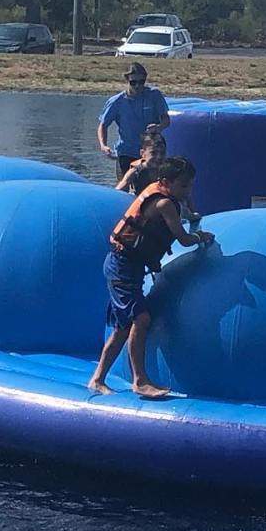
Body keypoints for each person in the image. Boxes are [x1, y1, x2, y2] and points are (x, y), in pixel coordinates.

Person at [88, 156, 215, 399]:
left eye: (191, 185)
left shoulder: (163, 195)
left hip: (128, 267)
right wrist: (202, 237)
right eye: (184, 186)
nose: (188, 191)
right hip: (122, 267)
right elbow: (184, 239)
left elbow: (183, 214)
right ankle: (140, 380)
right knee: (141, 319)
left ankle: (97, 379)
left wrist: (190, 214)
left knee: (122, 328)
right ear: (166, 182)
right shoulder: (163, 204)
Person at [97, 63, 171, 180]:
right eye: (133, 82)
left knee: (150, 187)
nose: (137, 86)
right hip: (126, 152)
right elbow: (103, 125)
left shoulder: (154, 96)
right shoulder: (117, 101)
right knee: (125, 187)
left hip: (150, 154)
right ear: (127, 80)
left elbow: (166, 120)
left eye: (141, 82)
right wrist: (103, 145)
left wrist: (159, 127)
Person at [116, 130, 200, 221]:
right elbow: (119, 190)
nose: (159, 157)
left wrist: (192, 211)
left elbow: (184, 191)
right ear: (142, 153)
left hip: (163, 205)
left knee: (175, 204)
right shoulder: (136, 171)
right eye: (153, 153)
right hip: (142, 207)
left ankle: (188, 218)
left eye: (162, 153)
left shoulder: (168, 170)